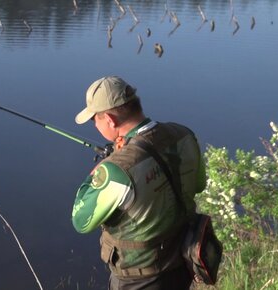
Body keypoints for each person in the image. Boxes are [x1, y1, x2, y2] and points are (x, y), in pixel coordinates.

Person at [71, 76, 207, 290]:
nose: (94, 125)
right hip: (181, 263)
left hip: (140, 278)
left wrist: (98, 172)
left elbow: (81, 221)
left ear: (109, 119)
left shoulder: (116, 170)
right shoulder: (184, 134)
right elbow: (199, 185)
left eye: (93, 120)